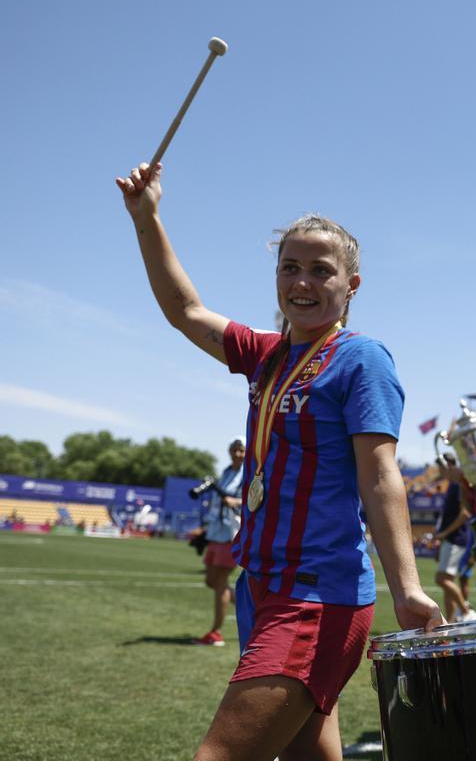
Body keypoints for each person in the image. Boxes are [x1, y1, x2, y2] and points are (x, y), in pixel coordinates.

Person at [116, 162, 442, 761]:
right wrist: (148, 219)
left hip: (317, 594)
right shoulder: (267, 355)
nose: (303, 282)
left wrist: (409, 588)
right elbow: (185, 310)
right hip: (261, 586)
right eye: (290, 267)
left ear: (353, 284)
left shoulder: (361, 359)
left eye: (322, 270)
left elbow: (379, 474)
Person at [192, 438, 246, 647]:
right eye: (234, 449)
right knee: (211, 581)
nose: (238, 454)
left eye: (241, 450)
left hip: (232, 532)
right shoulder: (226, 472)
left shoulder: (251, 472)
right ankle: (249, 609)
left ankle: (216, 633)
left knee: (220, 583)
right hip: (216, 531)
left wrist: (237, 501)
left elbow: (258, 498)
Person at [428, 455, 476, 622]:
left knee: (441, 579)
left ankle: (466, 612)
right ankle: (449, 622)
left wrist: (443, 534)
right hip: (451, 539)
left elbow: (465, 514)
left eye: (441, 467)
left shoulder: (457, 485)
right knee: (448, 583)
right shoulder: (452, 486)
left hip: (456, 539)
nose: (440, 471)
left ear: (448, 466)